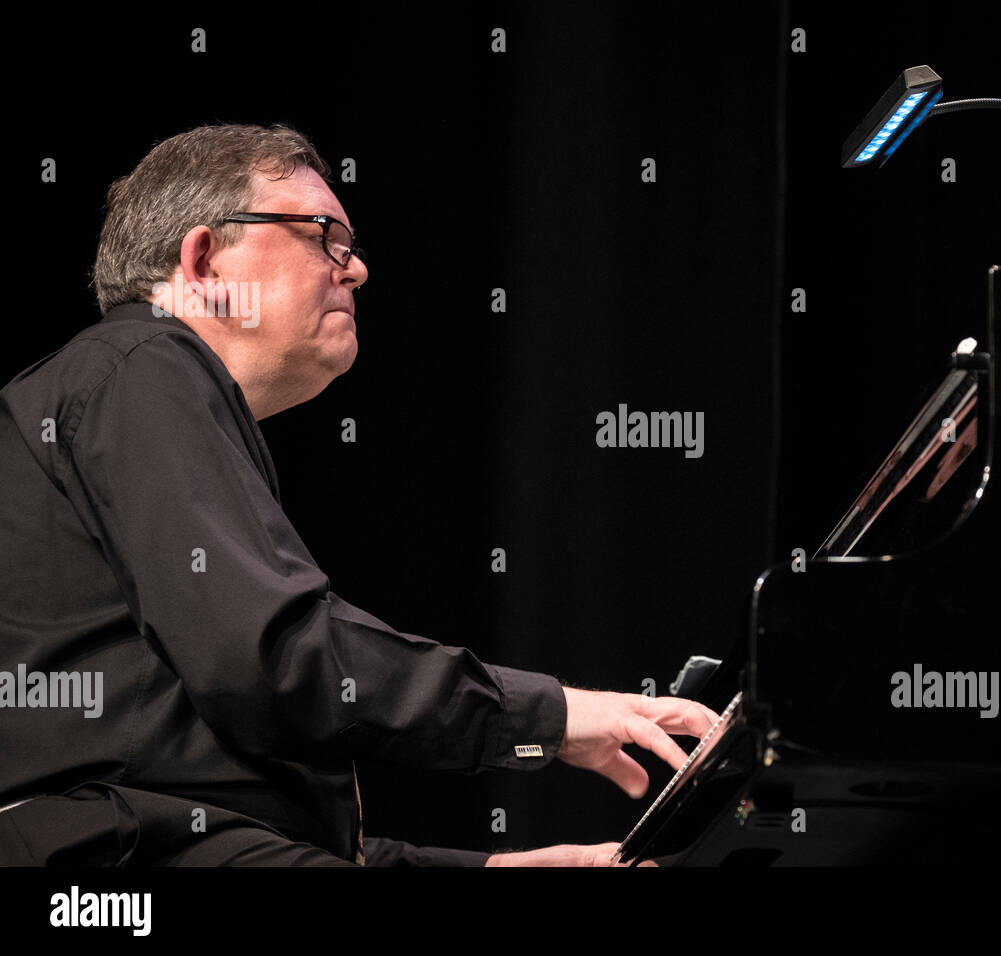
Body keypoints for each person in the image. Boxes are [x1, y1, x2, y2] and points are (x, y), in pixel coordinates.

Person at [0, 124, 718, 866]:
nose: (357, 269)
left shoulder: (135, 391)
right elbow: (273, 660)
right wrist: (555, 715)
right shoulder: (143, 362)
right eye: (323, 236)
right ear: (205, 259)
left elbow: (227, 798)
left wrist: (501, 867)